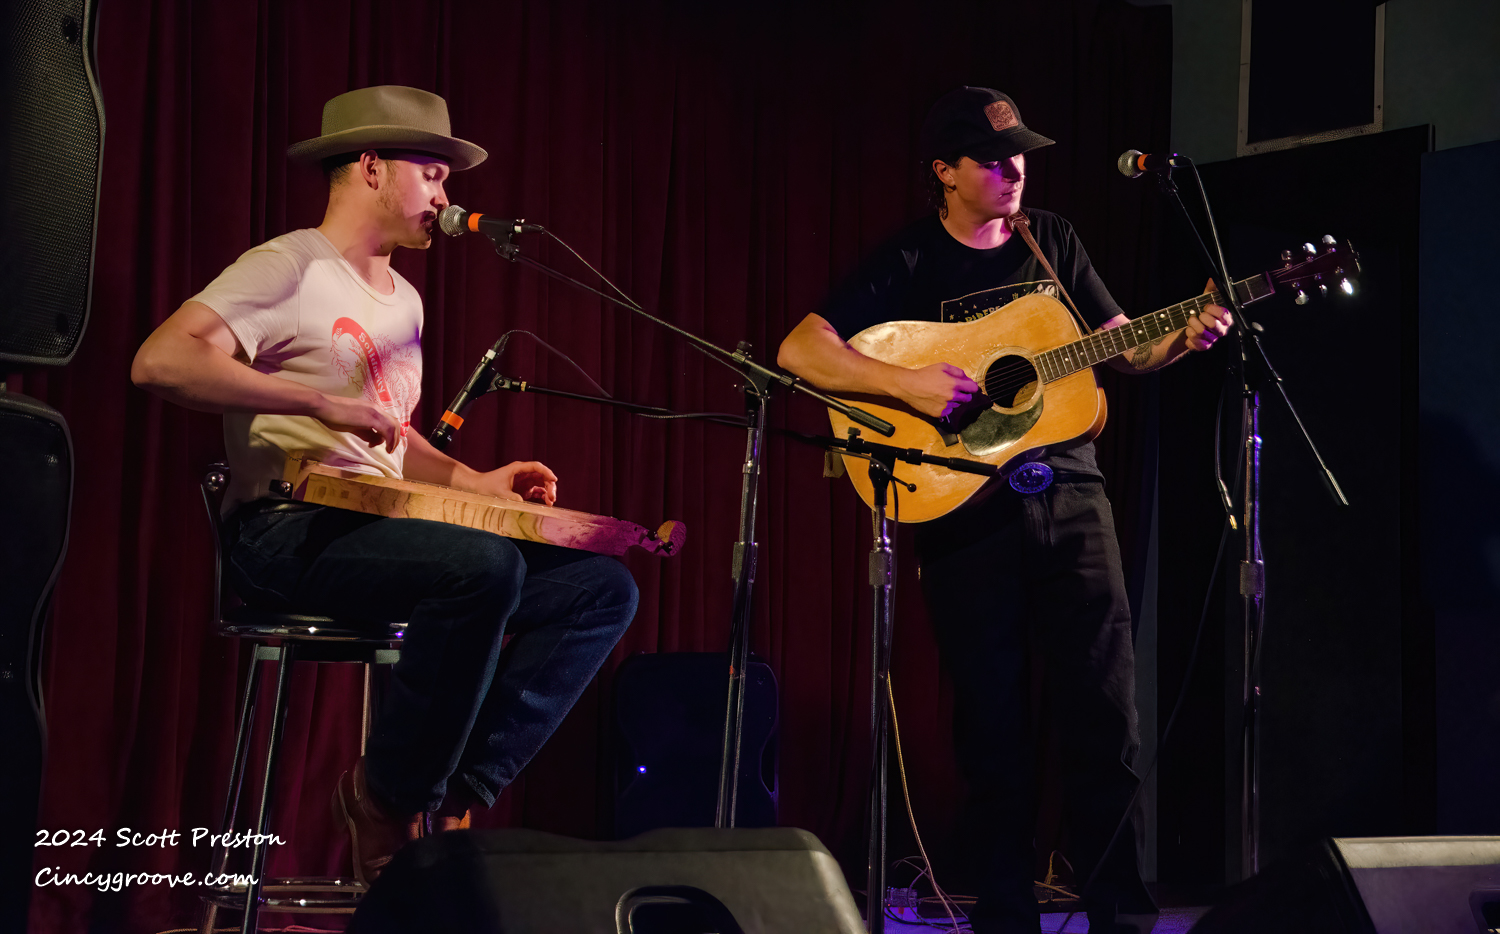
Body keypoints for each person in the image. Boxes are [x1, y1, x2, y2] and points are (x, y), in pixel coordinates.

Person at [131, 85, 639, 885]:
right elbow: (161, 360)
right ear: (370, 167)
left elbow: (391, 437)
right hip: (285, 534)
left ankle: (455, 794)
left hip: (381, 528)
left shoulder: (406, 299)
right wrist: (315, 402)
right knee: (481, 569)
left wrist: (478, 482)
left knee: (600, 589)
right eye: (431, 174)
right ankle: (388, 799)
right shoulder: (290, 266)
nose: (445, 195)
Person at [777, 87, 1231, 934]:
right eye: (991, 158)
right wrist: (906, 382)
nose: (1013, 169)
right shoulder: (909, 258)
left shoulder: (1052, 240)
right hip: (963, 510)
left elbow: (1124, 345)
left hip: (1071, 494)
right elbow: (800, 348)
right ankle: (1006, 916)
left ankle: (1120, 915)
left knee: (1106, 715)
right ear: (944, 172)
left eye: (1018, 153)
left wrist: (1183, 335)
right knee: (992, 725)